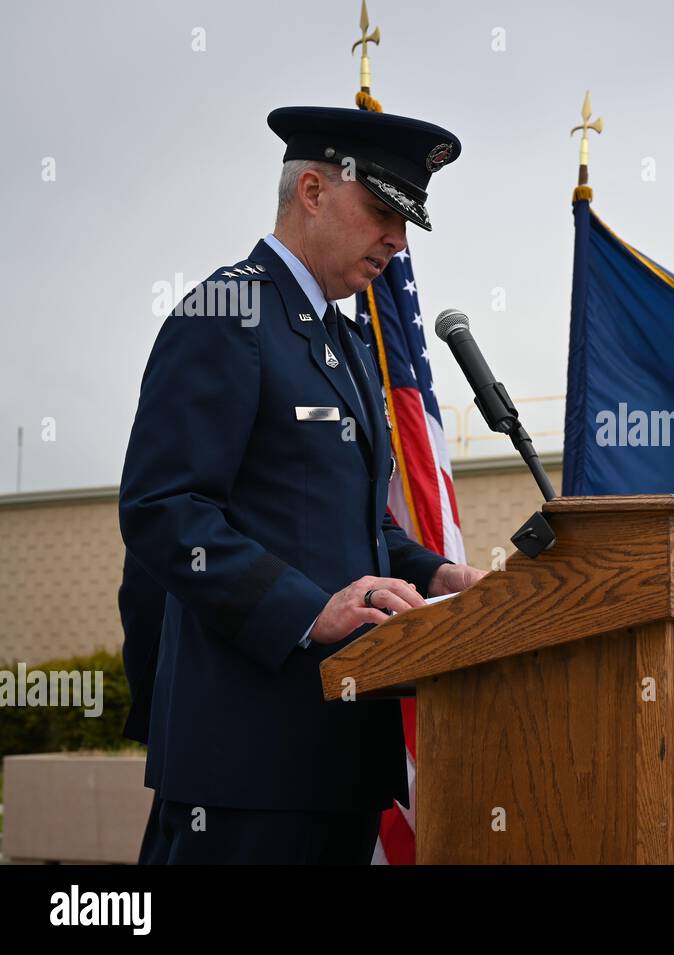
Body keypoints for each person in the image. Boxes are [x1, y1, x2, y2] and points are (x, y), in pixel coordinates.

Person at [119, 106, 485, 864]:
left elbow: (358, 525)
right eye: (383, 210)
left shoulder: (348, 341)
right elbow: (166, 510)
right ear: (312, 190)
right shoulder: (228, 313)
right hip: (245, 763)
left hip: (341, 757)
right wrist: (309, 612)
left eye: (405, 220)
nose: (397, 239)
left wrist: (442, 572)